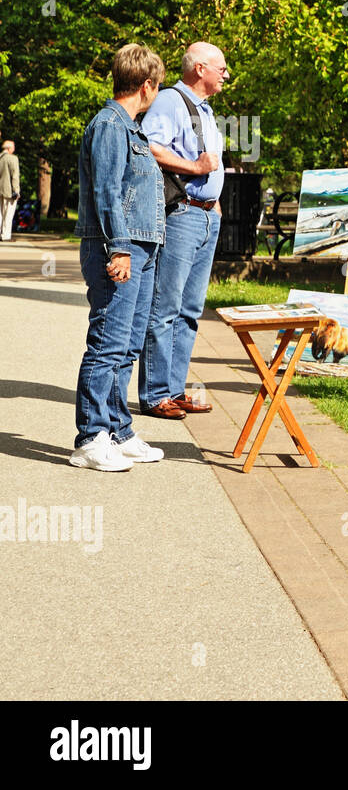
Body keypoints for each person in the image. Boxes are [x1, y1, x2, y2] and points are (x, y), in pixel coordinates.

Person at [70, 44, 170, 471]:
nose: (157, 93)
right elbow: (107, 192)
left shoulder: (131, 127)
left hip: (142, 246)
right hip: (120, 247)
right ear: (146, 85)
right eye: (158, 86)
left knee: (127, 346)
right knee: (107, 343)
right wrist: (120, 248)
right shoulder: (110, 125)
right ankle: (91, 438)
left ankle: (118, 430)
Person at [137, 41, 227, 420]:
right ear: (200, 69)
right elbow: (150, 147)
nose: (226, 74)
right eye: (221, 68)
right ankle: (155, 393)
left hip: (206, 216)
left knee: (190, 310)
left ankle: (173, 389)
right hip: (183, 214)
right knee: (166, 306)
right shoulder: (171, 101)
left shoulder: (204, 110)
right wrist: (195, 171)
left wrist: (215, 204)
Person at [0, 138, 18, 241]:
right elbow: (14, 176)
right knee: (8, 214)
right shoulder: (13, 158)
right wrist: (16, 190)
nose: (14, 149)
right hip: (9, 191)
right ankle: (6, 235)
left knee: (0, 213)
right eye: (13, 147)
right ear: (9, 148)